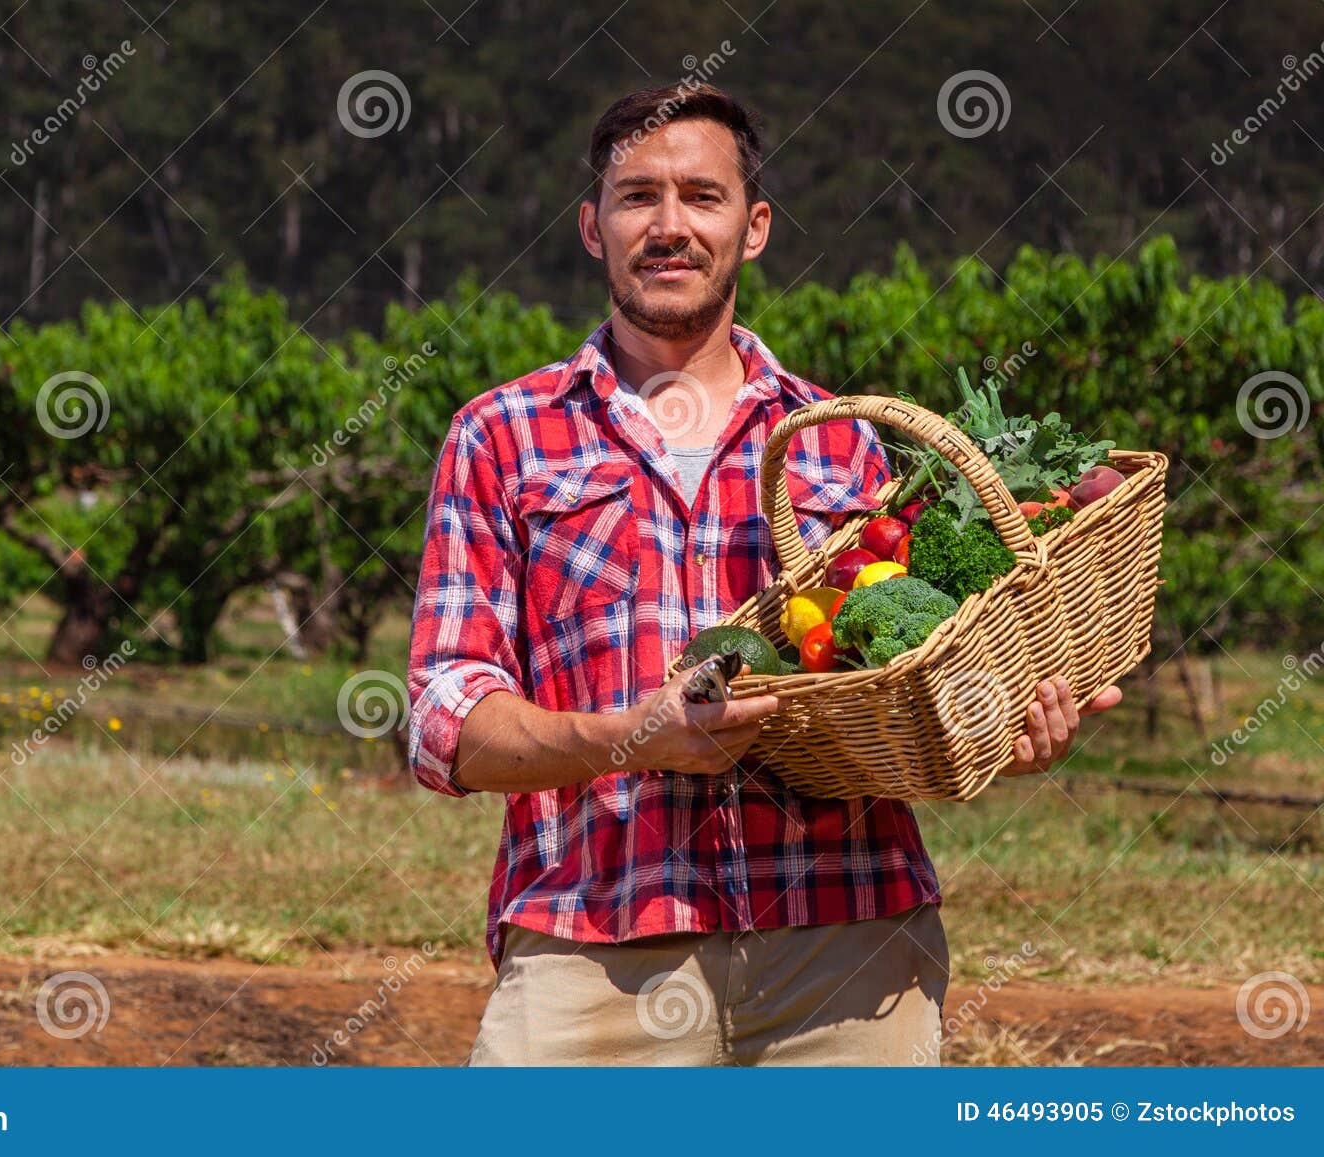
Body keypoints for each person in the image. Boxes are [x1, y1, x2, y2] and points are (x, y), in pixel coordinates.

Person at [404, 82, 1121, 1066]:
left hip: (847, 950)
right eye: (635, 197)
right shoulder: (502, 436)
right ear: (590, 226)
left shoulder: (850, 445)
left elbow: (906, 683)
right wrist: (630, 737)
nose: (667, 226)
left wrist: (1003, 730)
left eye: (701, 196)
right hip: (592, 950)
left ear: (754, 228)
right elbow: (447, 721)